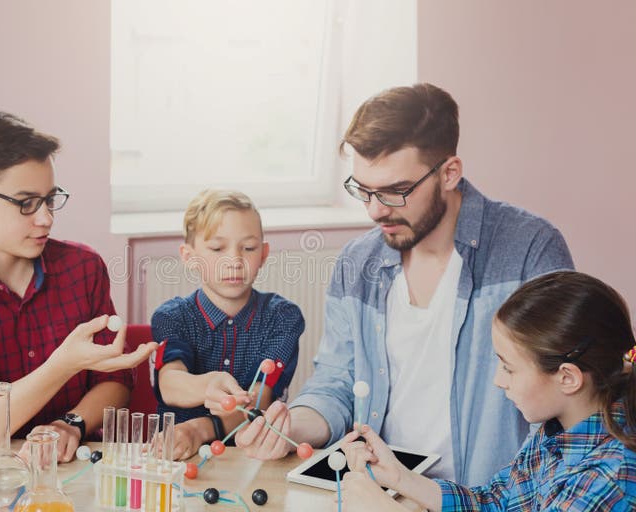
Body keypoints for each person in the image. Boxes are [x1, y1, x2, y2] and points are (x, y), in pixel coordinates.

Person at [235, 83, 574, 485]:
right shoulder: (356, 263)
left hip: (488, 496)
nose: (376, 210)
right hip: (382, 493)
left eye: (396, 191)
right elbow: (337, 381)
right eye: (364, 190)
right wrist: (288, 427)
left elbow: (565, 403)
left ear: (449, 173)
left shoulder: (529, 250)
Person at [0, 112, 157, 461]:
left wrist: (71, 424)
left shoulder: (83, 268)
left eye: (50, 200)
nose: (46, 218)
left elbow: (116, 381)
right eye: (26, 203)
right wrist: (64, 364)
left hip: (73, 462)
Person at [339, 271, 636, 512]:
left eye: (509, 368)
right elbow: (497, 501)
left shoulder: (610, 478)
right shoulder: (555, 432)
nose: (498, 380)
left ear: (567, 378)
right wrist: (401, 477)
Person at [151, 189, 304, 460]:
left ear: (264, 254)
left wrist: (200, 430)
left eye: (248, 248)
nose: (234, 261)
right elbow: (170, 384)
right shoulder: (172, 317)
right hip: (178, 459)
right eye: (217, 248)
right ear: (189, 256)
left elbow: (260, 401)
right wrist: (206, 385)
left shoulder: (283, 318)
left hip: (252, 459)